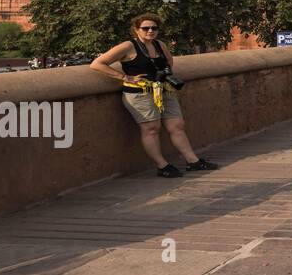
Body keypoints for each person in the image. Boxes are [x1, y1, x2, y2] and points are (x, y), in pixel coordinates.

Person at [90, 13, 219, 178]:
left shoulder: (159, 45)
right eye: (145, 28)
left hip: (164, 90)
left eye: (154, 28)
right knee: (151, 129)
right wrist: (124, 77)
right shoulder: (128, 46)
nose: (150, 31)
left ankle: (192, 161)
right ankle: (162, 165)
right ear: (137, 30)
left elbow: (169, 62)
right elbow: (97, 64)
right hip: (140, 94)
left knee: (177, 125)